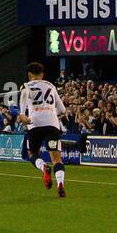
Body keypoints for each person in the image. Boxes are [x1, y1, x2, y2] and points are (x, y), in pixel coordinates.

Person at [16, 62, 69, 198]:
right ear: (42, 74)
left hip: (35, 124)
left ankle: (44, 167)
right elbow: (63, 109)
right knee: (57, 159)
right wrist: (50, 112)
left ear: (29, 75)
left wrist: (23, 114)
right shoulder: (51, 86)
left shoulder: (26, 86)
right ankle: (60, 184)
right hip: (52, 124)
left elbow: (22, 102)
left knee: (32, 153)